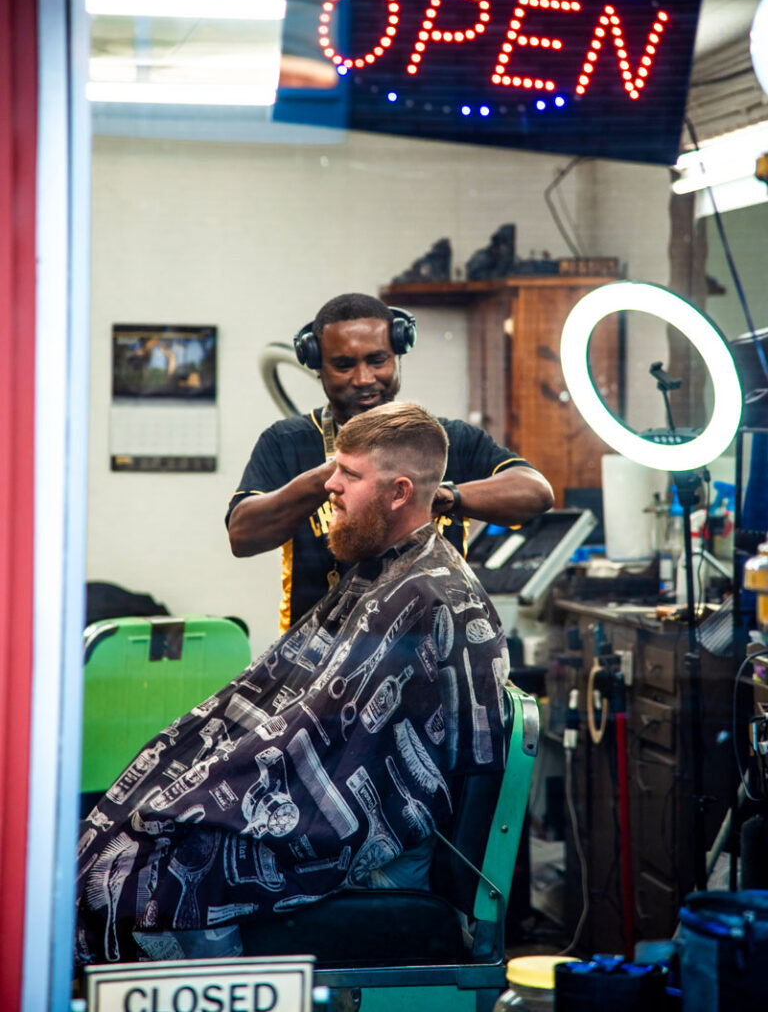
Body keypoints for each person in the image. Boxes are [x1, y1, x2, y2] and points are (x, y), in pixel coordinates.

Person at [76, 402, 510, 967]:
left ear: (399, 493)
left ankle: (215, 992)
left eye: (348, 474)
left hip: (382, 853)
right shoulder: (385, 572)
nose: (329, 486)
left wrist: (206, 802)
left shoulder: (431, 597)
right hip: (345, 815)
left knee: (166, 861)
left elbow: (357, 770)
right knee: (143, 815)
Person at [227, 292, 553, 630]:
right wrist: (332, 474)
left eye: (377, 360)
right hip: (317, 655)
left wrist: (445, 497)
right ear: (317, 367)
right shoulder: (285, 442)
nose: (364, 379)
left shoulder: (445, 440)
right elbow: (242, 535)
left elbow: (536, 492)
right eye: (344, 365)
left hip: (432, 649)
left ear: (397, 356)